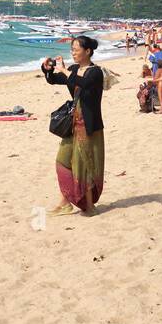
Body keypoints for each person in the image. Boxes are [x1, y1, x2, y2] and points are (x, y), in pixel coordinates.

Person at [42, 36, 105, 216]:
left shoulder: (95, 72)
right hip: (72, 123)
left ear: (87, 51)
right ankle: (66, 202)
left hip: (88, 125)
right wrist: (47, 69)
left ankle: (89, 205)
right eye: (72, 50)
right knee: (62, 161)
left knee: (84, 165)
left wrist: (65, 70)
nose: (73, 53)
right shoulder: (74, 69)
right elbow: (54, 80)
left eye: (76, 49)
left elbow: (83, 83)